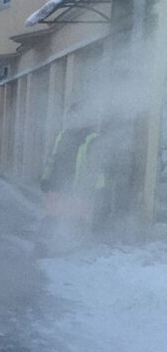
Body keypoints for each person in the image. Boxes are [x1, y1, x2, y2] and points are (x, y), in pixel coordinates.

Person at [40, 104, 106, 250]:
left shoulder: (92, 138)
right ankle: (44, 243)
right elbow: (52, 159)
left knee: (76, 218)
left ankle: (73, 248)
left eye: (75, 117)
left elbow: (96, 167)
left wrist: (92, 188)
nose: (70, 120)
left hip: (80, 187)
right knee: (51, 215)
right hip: (56, 183)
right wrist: (45, 178)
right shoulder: (62, 135)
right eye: (68, 117)